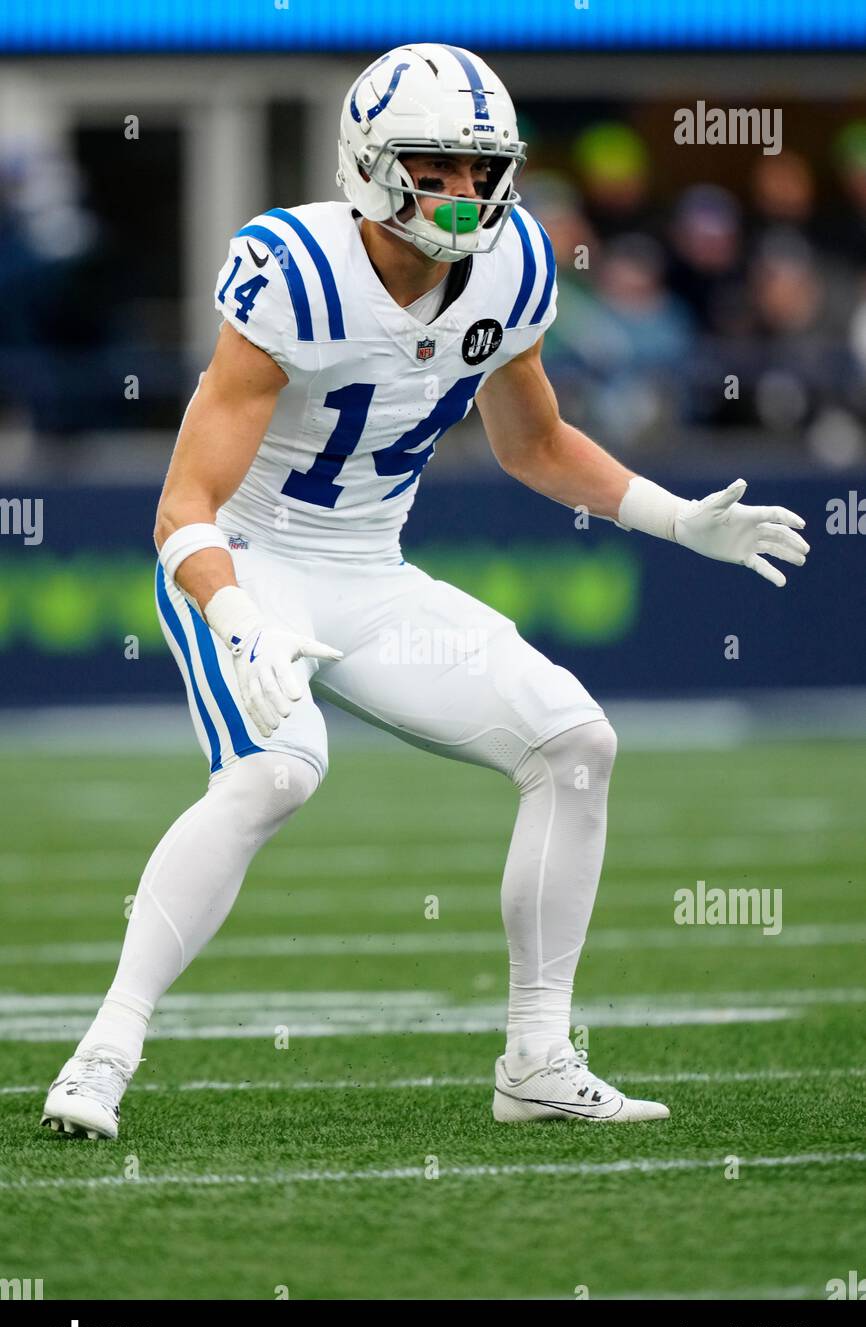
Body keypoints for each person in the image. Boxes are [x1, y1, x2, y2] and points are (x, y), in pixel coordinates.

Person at [41, 43, 809, 1139]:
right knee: (275, 773)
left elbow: (534, 443)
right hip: (247, 560)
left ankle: (538, 1060)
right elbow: (182, 509)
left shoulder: (514, 267)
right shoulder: (294, 267)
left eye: (475, 168)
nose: (459, 194)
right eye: (432, 168)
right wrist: (237, 618)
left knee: (575, 744)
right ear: (368, 163)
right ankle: (102, 1054)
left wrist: (673, 516)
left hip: (368, 570)